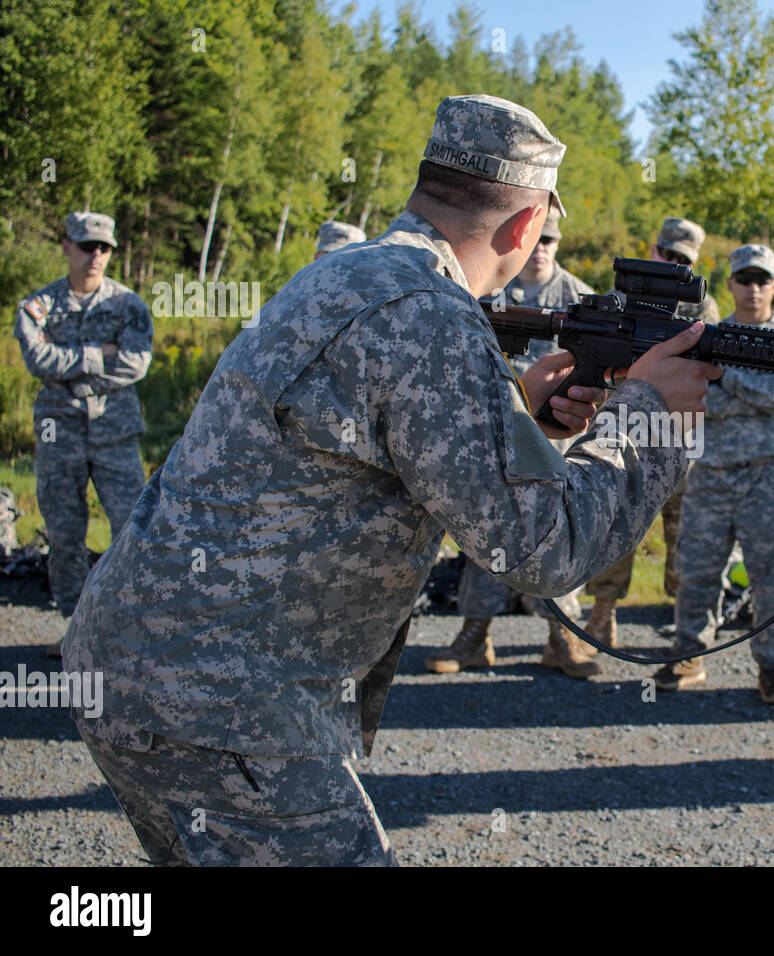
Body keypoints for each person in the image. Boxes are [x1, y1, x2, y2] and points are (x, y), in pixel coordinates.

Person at [62, 93, 720, 866]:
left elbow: (374, 447)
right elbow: (546, 552)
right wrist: (652, 417)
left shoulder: (350, 274)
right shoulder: (433, 316)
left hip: (139, 665)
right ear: (524, 225)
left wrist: (520, 421)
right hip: (219, 704)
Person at [425, 206, 595, 678]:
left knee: (558, 533)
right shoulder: (495, 292)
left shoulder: (580, 297)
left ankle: (563, 637)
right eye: (537, 240)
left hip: (555, 447)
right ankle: (474, 636)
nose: (541, 250)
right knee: (485, 531)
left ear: (558, 246)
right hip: (497, 440)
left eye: (551, 243)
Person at [653, 244, 774, 705]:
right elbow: (696, 398)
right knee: (697, 568)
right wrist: (748, 386)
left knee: (773, 575)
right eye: (744, 278)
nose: (753, 288)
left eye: (762, 279)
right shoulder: (705, 336)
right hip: (711, 470)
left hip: (768, 476)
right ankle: (689, 654)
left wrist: (729, 378)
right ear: (730, 284)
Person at [13, 212, 152, 656]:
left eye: (104, 248)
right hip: (61, 434)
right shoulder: (39, 306)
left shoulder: (129, 305)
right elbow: (38, 361)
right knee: (64, 532)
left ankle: (128, 630)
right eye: (87, 245)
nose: (95, 255)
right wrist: (99, 355)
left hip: (114, 434)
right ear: (67, 246)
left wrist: (70, 363)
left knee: (133, 528)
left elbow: (135, 364)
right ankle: (76, 629)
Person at [582, 216, 722, 648]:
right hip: (627, 429)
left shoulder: (702, 309)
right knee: (611, 522)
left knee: (684, 535)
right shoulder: (622, 297)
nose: (674, 263)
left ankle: (685, 631)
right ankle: (602, 616)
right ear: (654, 249)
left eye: (684, 259)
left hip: (678, 437)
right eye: (668, 254)